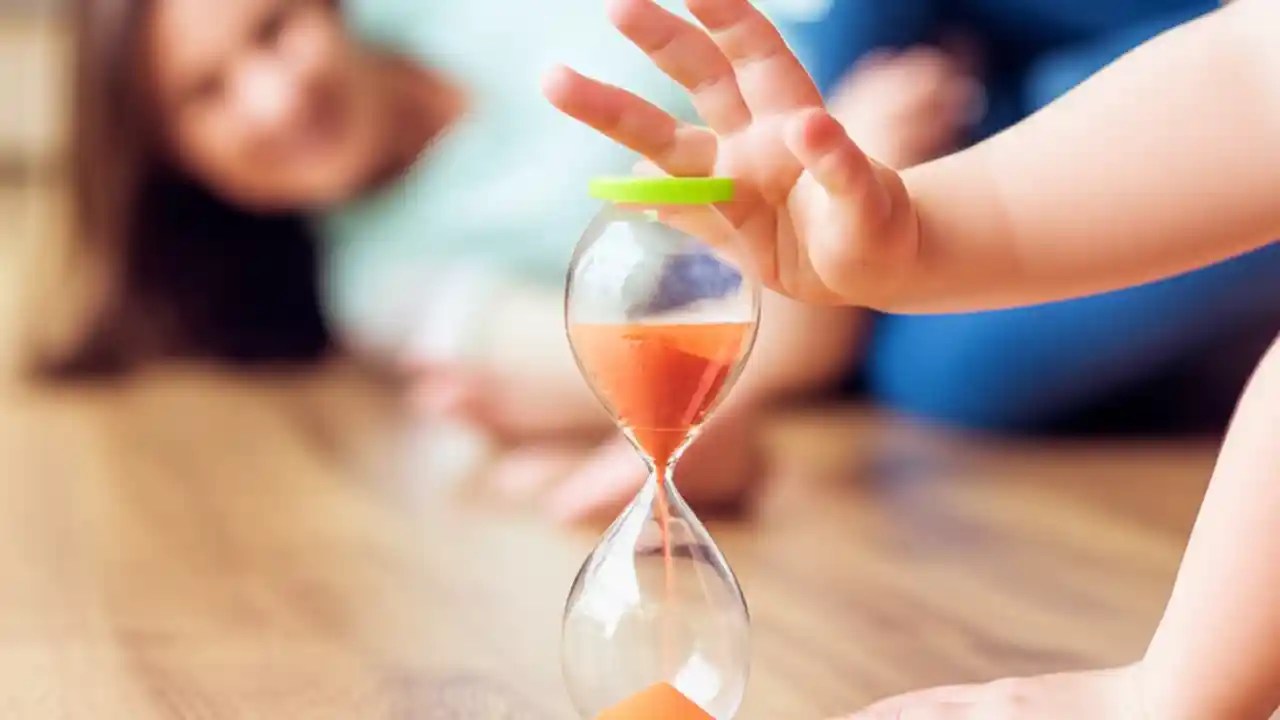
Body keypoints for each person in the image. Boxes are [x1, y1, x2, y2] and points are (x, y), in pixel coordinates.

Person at [544, 0, 1280, 715]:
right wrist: (921, 234)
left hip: (1039, 94)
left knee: (956, 375)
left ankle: (793, 350)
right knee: (934, 363)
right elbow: (1257, 69)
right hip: (1017, 104)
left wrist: (1176, 692)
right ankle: (808, 324)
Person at [47, 0, 858, 515]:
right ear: (175, 163)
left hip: (844, 44)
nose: (275, 96)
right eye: (206, 93)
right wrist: (847, 173)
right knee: (960, 370)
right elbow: (769, 353)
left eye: (273, 28)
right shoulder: (388, 290)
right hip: (868, 230)